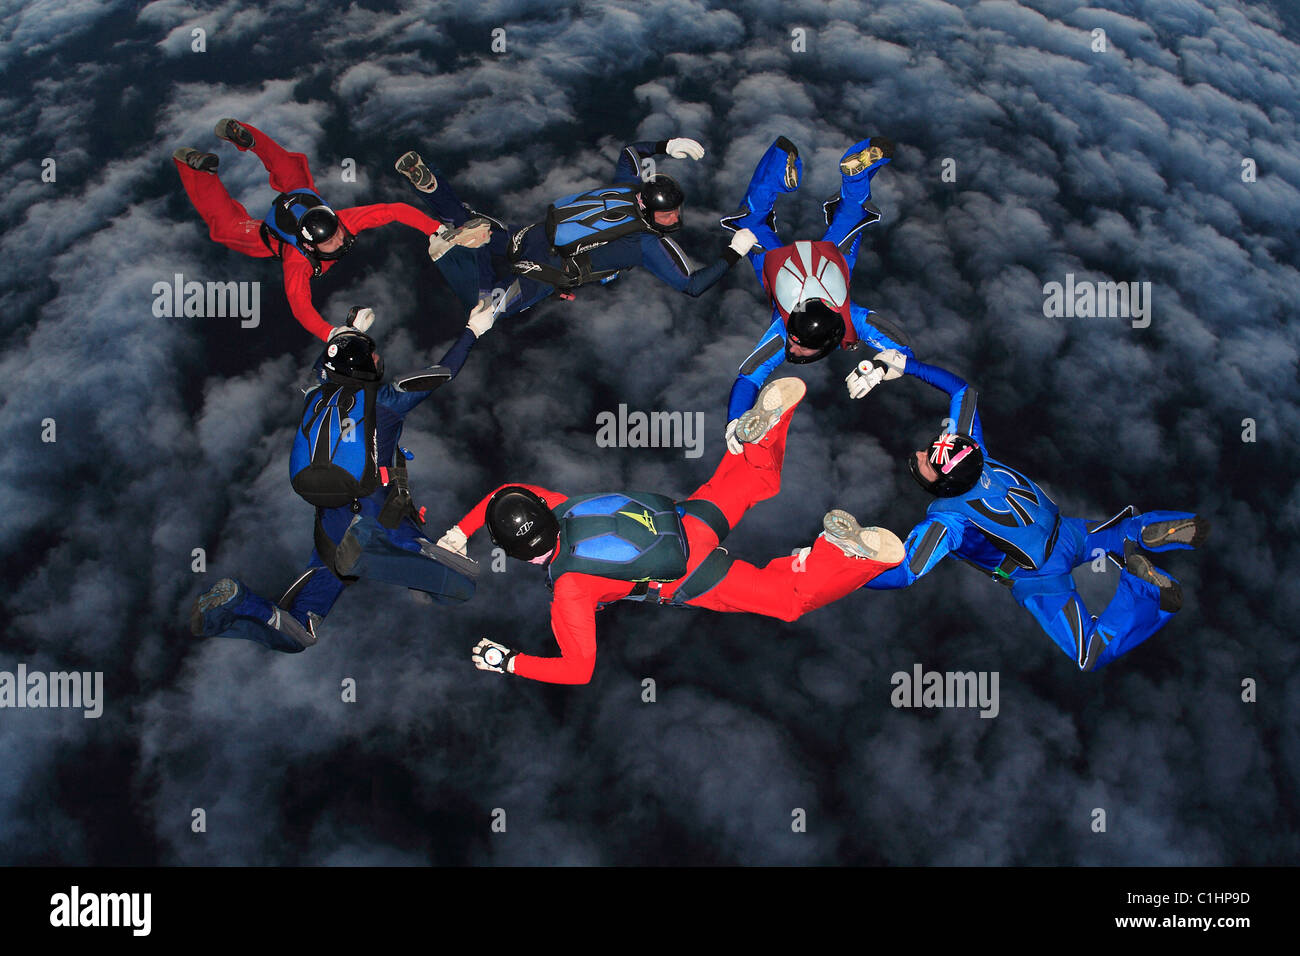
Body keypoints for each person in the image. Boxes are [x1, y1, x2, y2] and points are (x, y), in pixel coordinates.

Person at [433, 378, 904, 684]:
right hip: (681, 520)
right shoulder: (558, 506)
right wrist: (459, 531)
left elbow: (578, 671)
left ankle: (847, 556)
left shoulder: (570, 590)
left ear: (515, 553)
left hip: (688, 571)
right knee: (752, 478)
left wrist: (508, 660)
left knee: (788, 598)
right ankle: (760, 437)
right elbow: (508, 490)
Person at [848, 349, 1210, 672]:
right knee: (1115, 535)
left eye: (928, 460)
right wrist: (906, 366)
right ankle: (1141, 531)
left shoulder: (949, 520)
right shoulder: (974, 452)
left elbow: (905, 573)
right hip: (1068, 533)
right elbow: (964, 392)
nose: (922, 455)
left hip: (1039, 578)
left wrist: (839, 567)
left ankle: (1146, 592)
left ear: (943, 486)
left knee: (1090, 652)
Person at [188, 301, 498, 652]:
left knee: (300, 635)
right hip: (376, 514)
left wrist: (351, 334)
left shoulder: (315, 392)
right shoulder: (385, 402)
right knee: (461, 584)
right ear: (367, 368)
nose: (379, 358)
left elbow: (324, 366)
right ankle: (369, 550)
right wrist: (474, 331)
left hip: (329, 519)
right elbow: (444, 371)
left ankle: (237, 605)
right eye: (374, 356)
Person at [393, 136, 758, 318]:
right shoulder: (646, 243)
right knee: (485, 311)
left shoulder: (629, 188)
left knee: (466, 218)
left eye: (677, 212)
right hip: (544, 272)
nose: (675, 219)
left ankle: (433, 187)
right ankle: (455, 252)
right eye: (669, 216)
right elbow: (692, 285)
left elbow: (630, 153)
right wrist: (734, 252)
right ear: (650, 214)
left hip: (530, 235)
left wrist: (666, 145)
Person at [173, 119, 471, 341]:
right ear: (311, 247)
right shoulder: (296, 259)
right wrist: (331, 333)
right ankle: (199, 171)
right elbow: (300, 307)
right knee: (229, 226)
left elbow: (393, 211)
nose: (340, 239)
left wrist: (436, 230)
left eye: (337, 232)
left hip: (305, 201)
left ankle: (247, 138)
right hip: (276, 231)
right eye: (330, 241)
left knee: (290, 171)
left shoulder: (343, 221)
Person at [720, 136, 913, 451]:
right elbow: (749, 376)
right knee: (754, 222)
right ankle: (840, 174)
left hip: (821, 265)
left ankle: (837, 173)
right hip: (795, 268)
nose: (792, 348)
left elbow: (902, 348)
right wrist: (879, 369)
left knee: (850, 214)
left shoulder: (842, 321)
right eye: (797, 343)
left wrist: (881, 369)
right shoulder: (787, 331)